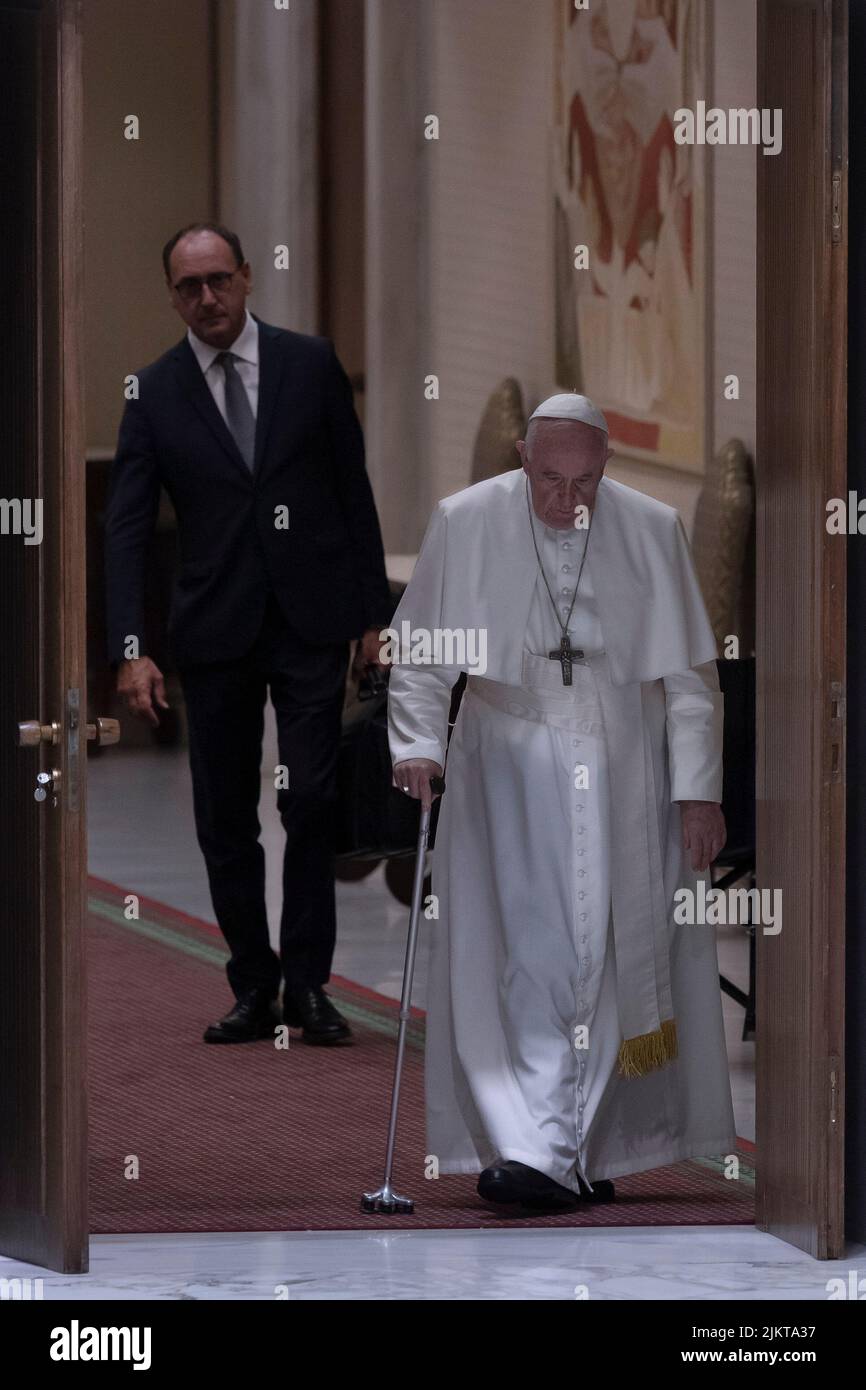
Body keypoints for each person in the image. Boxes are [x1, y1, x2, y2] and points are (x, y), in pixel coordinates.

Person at [386, 393, 736, 1212]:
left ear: (607, 466)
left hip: (624, 763)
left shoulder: (651, 528)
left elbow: (691, 681)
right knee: (524, 950)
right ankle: (535, 1144)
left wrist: (698, 793)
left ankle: (574, 1148)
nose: (566, 501)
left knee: (606, 956)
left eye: (585, 482)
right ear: (521, 455)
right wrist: (417, 743)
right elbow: (423, 648)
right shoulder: (465, 519)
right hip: (502, 762)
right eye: (549, 479)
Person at [105, 222, 392, 1047]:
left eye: (218, 282)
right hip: (214, 629)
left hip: (310, 623)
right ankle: (251, 984)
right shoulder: (152, 392)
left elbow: (352, 491)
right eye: (189, 288)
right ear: (173, 297)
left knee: (309, 800)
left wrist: (374, 618)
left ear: (246, 279)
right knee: (225, 815)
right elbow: (125, 528)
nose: (207, 300)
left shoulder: (308, 364)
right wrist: (133, 646)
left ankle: (308, 987)